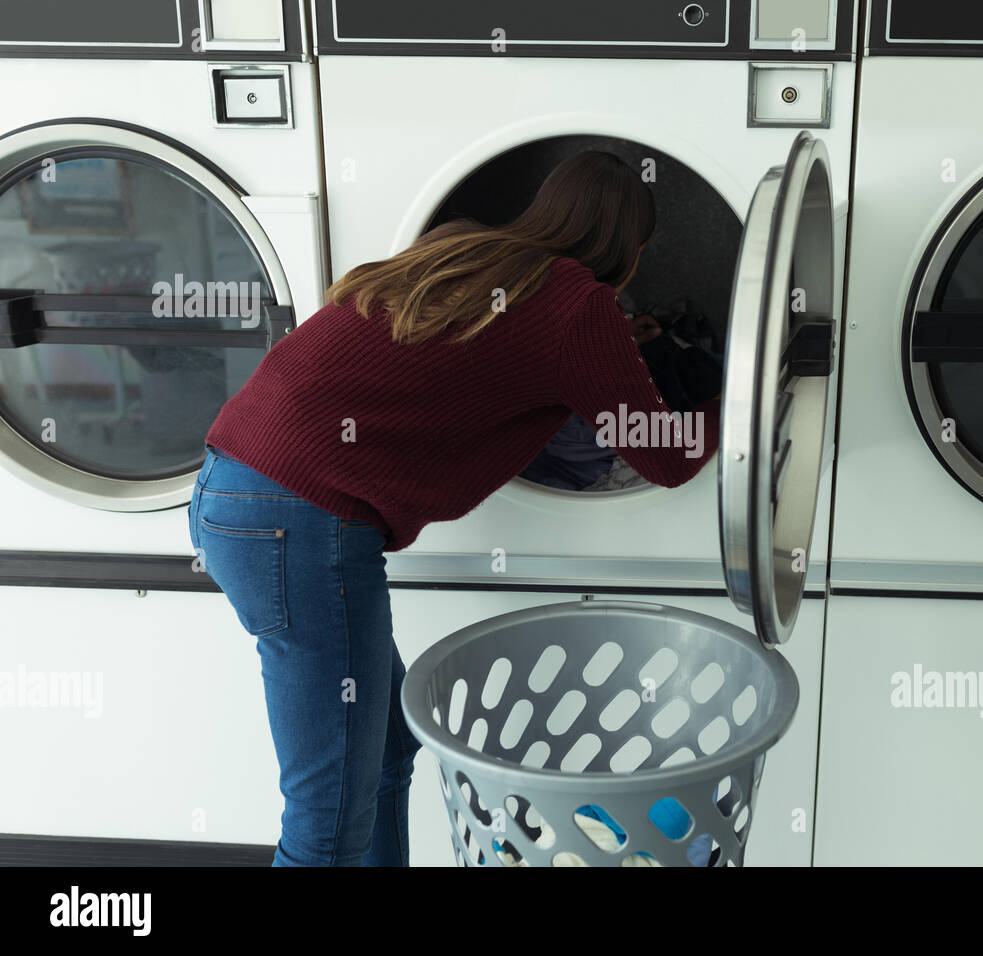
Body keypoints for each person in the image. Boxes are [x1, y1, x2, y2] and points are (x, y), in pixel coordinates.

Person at [188, 151, 721, 866]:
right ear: (634, 248)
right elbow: (666, 456)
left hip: (231, 490)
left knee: (383, 758)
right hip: (301, 524)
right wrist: (740, 402)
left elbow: (449, 362)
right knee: (326, 820)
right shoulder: (579, 301)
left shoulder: (460, 246)